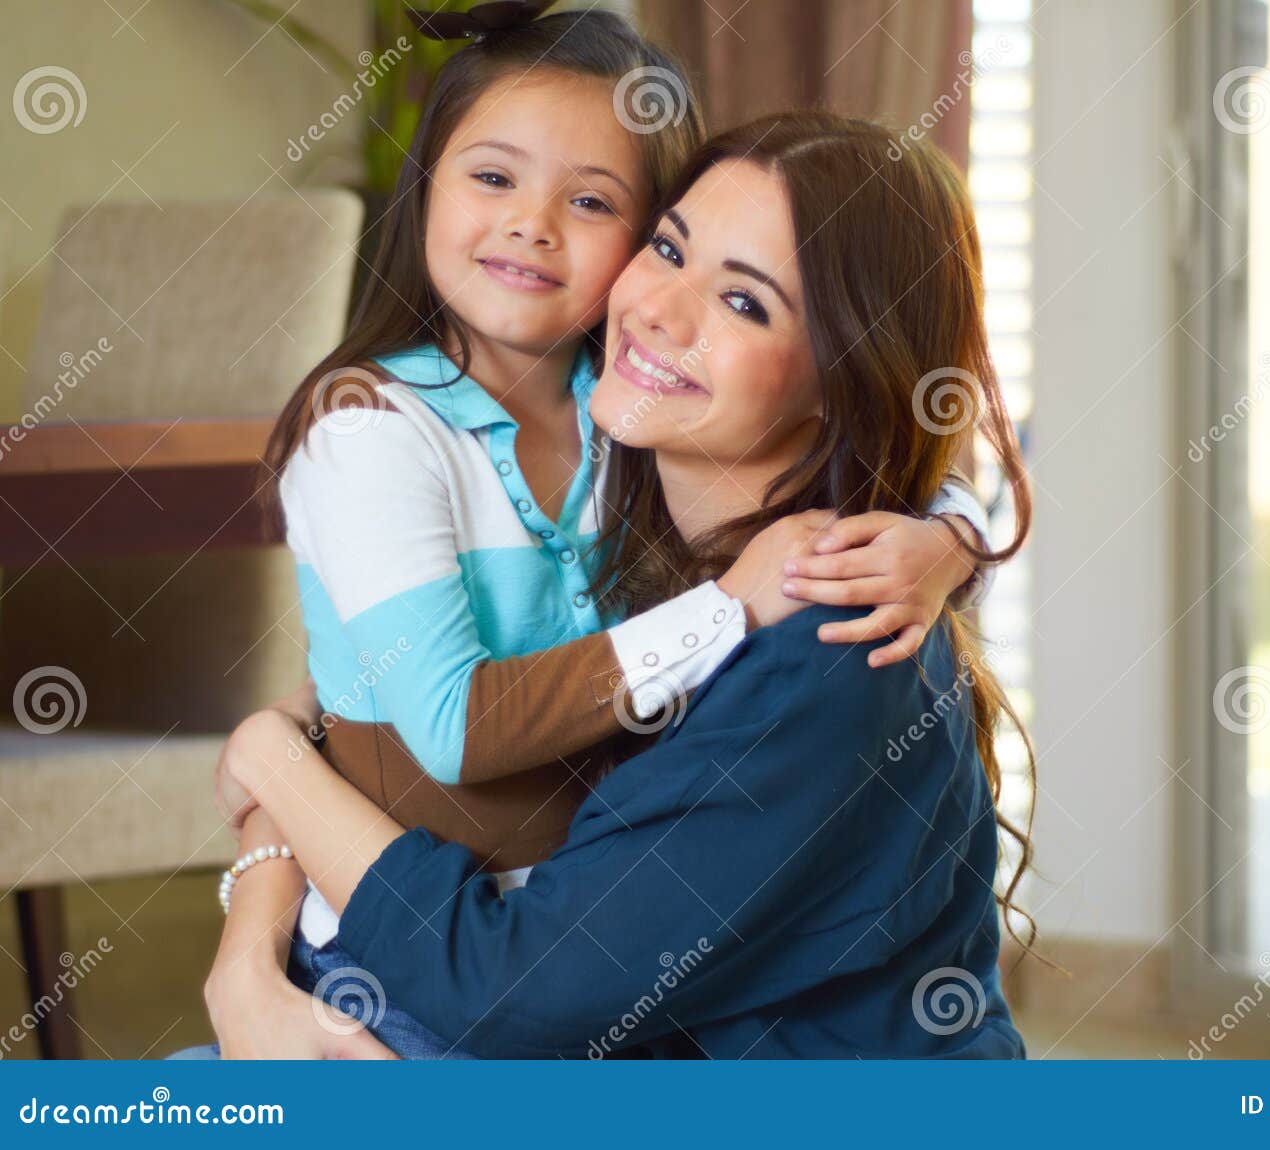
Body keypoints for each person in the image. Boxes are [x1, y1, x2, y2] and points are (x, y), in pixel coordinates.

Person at [183, 4, 995, 1059]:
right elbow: (390, 716)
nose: (661, 311)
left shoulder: (825, 623)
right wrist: (249, 947)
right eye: (670, 250)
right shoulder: (606, 438)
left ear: (845, 376)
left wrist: (271, 757)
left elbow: (512, 992)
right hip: (426, 963)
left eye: (747, 305)